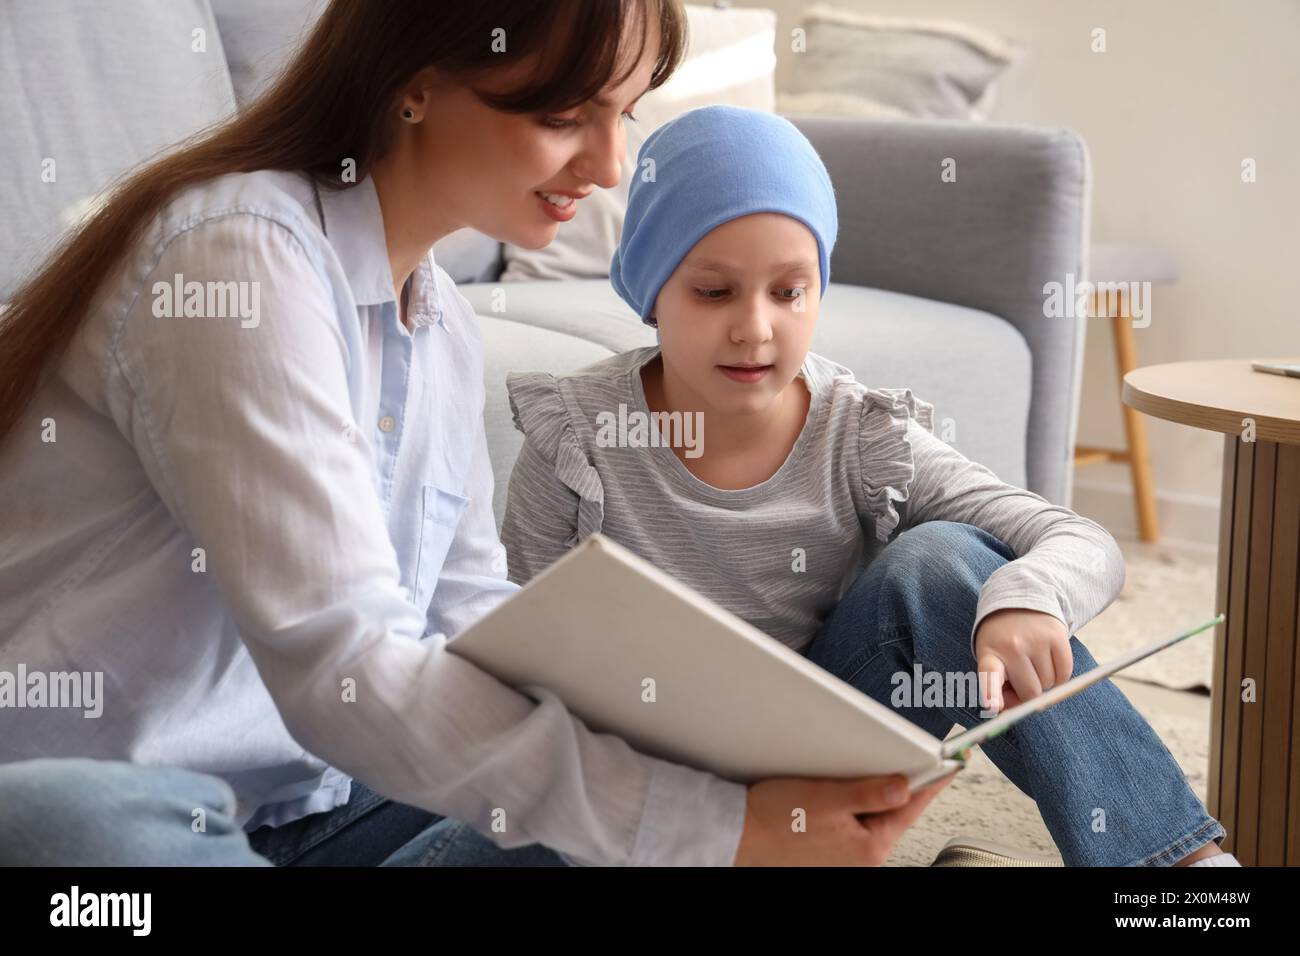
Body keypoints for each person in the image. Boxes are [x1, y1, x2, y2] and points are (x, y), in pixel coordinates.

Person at [0, 0, 952, 868]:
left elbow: (469, 623)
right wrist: (716, 833)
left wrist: (714, 770)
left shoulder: (438, 323)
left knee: (612, 801)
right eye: (562, 117)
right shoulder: (235, 265)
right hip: (137, 809)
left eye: (622, 116)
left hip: (322, 803)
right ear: (416, 85)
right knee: (87, 838)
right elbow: (346, 665)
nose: (611, 167)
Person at [500, 105, 1239, 867]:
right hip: (634, 789)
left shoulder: (860, 433)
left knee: (945, 563)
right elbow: (515, 663)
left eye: (789, 292)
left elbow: (1079, 540)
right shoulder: (575, 437)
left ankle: (1179, 872)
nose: (756, 328)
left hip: (815, 768)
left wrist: (1025, 600)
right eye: (714, 293)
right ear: (653, 292)